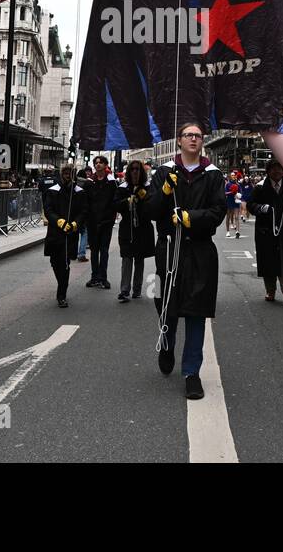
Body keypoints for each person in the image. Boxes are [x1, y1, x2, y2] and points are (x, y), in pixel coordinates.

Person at [149, 123, 226, 400]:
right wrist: (165, 193)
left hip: (200, 250)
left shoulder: (213, 175)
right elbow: (151, 210)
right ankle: (167, 343)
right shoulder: (164, 172)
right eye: (188, 135)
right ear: (179, 141)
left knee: (196, 311)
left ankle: (191, 372)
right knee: (166, 303)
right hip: (169, 249)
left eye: (198, 136)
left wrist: (191, 218)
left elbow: (218, 211)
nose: (194, 139)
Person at [247, 159, 283, 303]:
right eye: (273, 169)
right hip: (266, 231)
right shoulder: (259, 188)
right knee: (268, 261)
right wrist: (261, 208)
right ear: (268, 171)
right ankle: (270, 291)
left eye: (279, 168)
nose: (277, 171)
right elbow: (251, 205)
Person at [44, 163, 87, 308]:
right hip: (55, 232)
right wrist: (59, 221)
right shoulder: (52, 191)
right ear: (62, 174)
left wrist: (76, 223)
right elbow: (48, 210)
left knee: (66, 263)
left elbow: (83, 211)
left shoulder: (79, 192)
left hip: (70, 234)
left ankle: (61, 294)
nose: (68, 176)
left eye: (70, 173)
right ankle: (61, 283)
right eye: (66, 173)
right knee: (55, 262)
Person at [116, 160, 155, 302]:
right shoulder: (123, 188)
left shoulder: (148, 187)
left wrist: (143, 196)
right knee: (127, 258)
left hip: (142, 229)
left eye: (137, 169)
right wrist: (127, 201)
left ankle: (137, 289)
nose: (134, 172)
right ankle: (124, 290)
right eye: (132, 169)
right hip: (127, 229)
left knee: (139, 258)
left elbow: (152, 207)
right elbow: (115, 205)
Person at [83, 155, 119, 288]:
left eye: (100, 163)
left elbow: (115, 201)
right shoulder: (89, 182)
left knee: (104, 250)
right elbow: (85, 202)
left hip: (106, 222)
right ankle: (94, 276)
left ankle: (103, 277)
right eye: (96, 163)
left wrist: (111, 217)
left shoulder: (112, 182)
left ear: (105, 165)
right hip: (92, 222)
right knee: (94, 251)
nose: (98, 165)